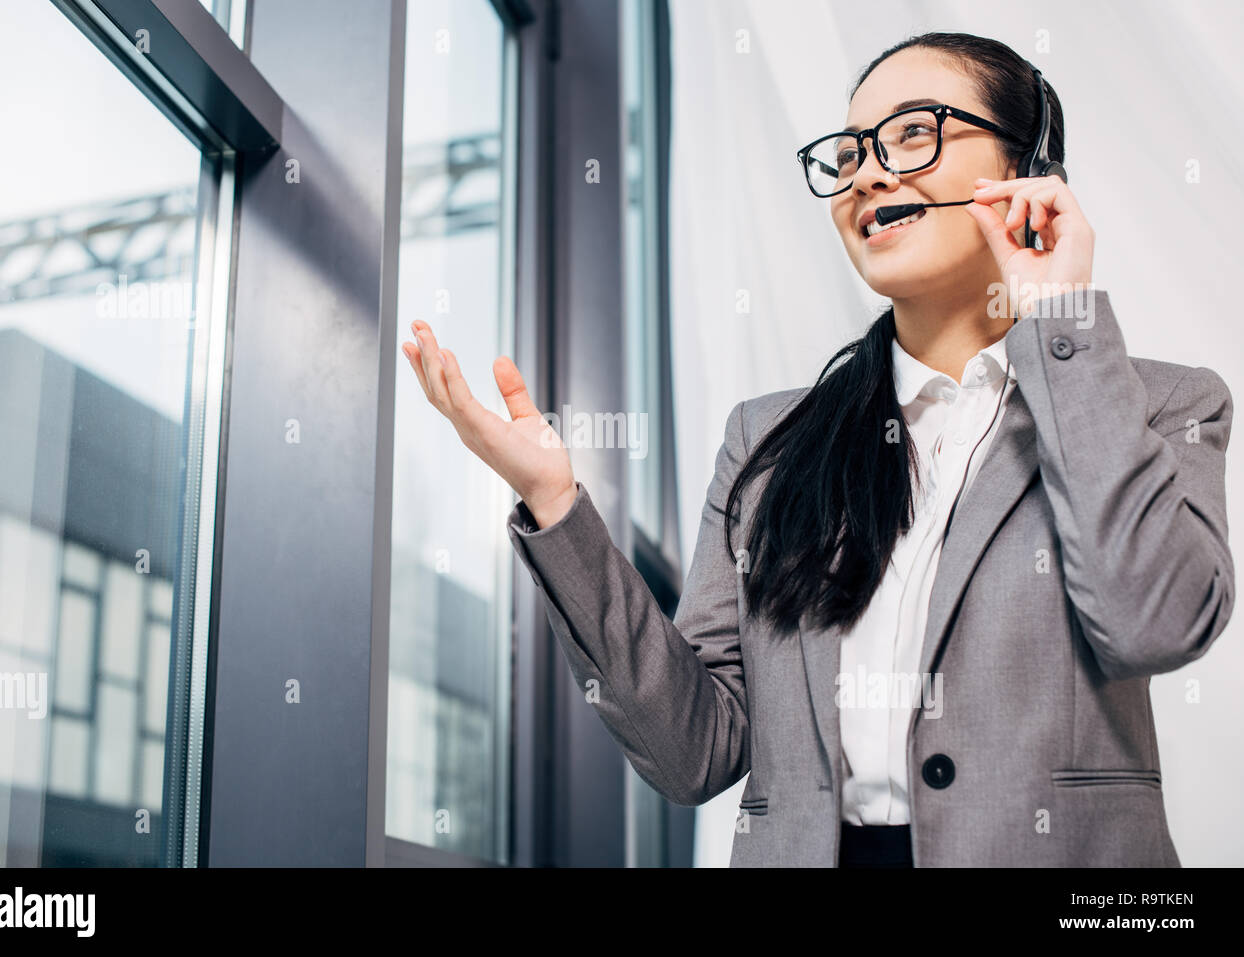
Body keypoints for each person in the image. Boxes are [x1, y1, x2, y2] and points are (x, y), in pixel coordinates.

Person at [399, 32, 1234, 867]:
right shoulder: (766, 442)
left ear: (1030, 172)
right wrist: (556, 506)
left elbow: (1152, 623)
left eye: (914, 133)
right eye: (848, 155)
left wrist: (1064, 320)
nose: (868, 173)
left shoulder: (1166, 404)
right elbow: (695, 750)